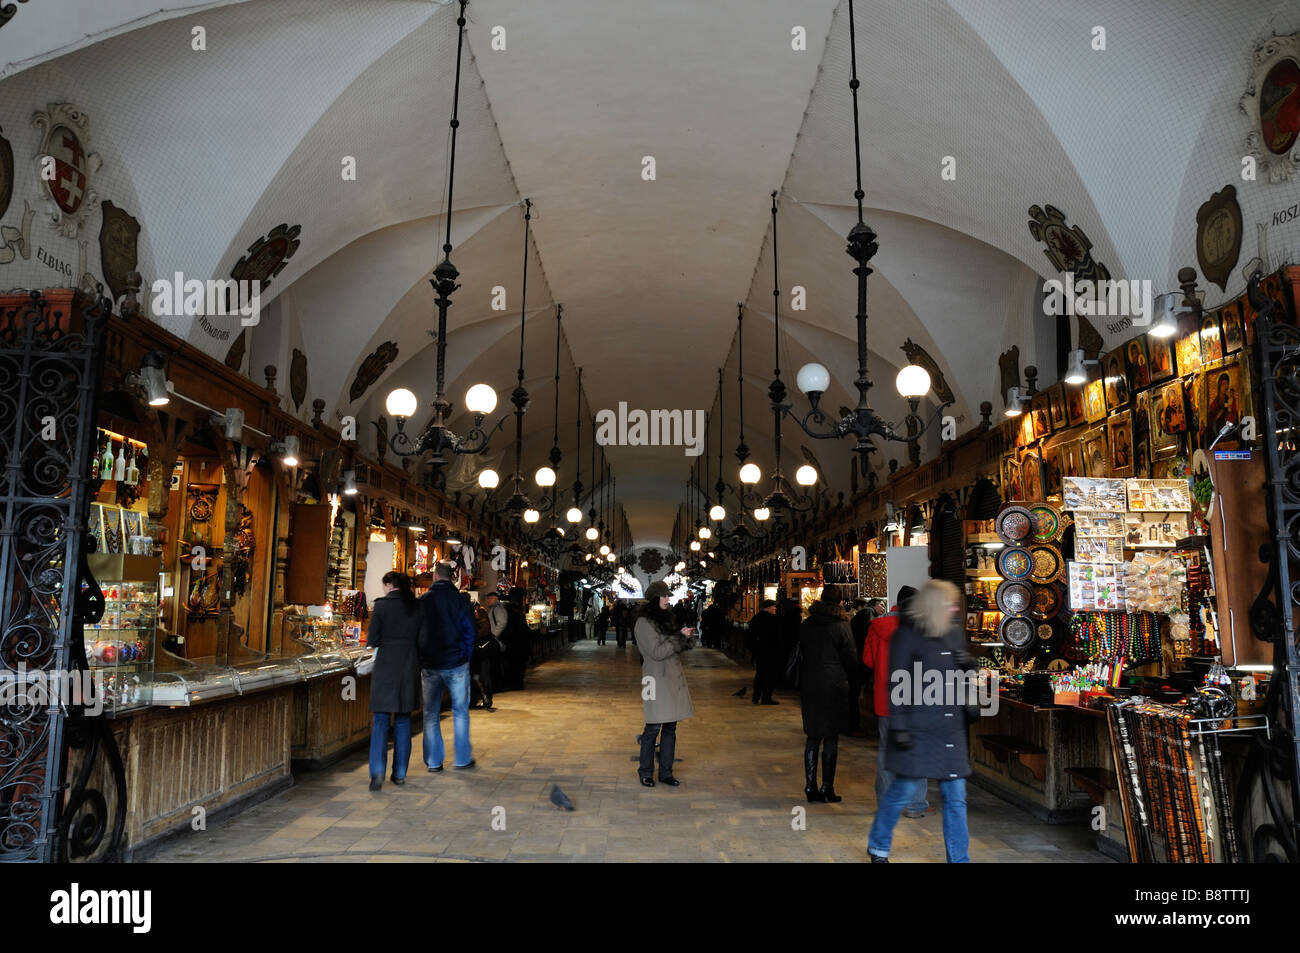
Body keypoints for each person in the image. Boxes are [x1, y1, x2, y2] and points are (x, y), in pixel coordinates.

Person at [867, 580, 975, 863]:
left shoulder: (953, 633)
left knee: (956, 799)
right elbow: (897, 682)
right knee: (900, 793)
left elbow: (958, 677)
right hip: (919, 728)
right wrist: (900, 726)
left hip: (950, 728)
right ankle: (879, 846)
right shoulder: (907, 636)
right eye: (949, 603)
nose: (954, 608)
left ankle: (959, 858)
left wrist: (968, 666)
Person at [863, 585, 932, 817]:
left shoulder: (877, 626)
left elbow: (868, 660)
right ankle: (914, 805)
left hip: (886, 700)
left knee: (886, 751)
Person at [417, 561, 478, 771]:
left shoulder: (423, 601)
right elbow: (470, 632)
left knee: (430, 714)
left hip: (431, 665)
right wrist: (465, 656)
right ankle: (461, 759)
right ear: (453, 578)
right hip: (457, 664)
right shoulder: (461, 601)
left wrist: (422, 656)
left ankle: (434, 762)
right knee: (460, 711)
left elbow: (416, 633)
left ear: (434, 577)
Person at [798, 592, 859, 802]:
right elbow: (851, 658)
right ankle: (827, 787)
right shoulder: (841, 626)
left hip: (810, 683)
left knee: (813, 735)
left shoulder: (807, 624)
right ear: (840, 602)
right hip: (834, 685)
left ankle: (809, 786)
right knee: (831, 736)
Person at [634, 581, 695, 787]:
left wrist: (684, 637)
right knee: (652, 727)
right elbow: (656, 652)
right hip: (654, 679)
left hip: (669, 678)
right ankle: (646, 771)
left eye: (668, 596)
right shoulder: (643, 623)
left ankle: (666, 772)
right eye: (665, 596)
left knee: (670, 726)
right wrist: (678, 638)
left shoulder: (665, 619)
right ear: (655, 599)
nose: (669, 599)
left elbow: (670, 646)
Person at [366, 571, 422, 791]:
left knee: (380, 722)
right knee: (403, 722)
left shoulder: (381, 606)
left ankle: (377, 772)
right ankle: (399, 774)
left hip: (385, 671)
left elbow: (373, 640)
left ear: (389, 585)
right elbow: (423, 639)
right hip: (409, 669)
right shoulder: (417, 607)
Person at [470, 586, 504, 711]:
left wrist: (494, 636)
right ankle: (481, 699)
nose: (487, 601)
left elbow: (496, 625)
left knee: (481, 674)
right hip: (479, 647)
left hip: (480, 648)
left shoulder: (480, 611)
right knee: (480, 674)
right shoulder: (482, 610)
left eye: (489, 599)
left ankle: (485, 699)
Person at [847, 599, 875, 738]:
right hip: (856, 663)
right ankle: (852, 726)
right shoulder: (868, 617)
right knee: (852, 695)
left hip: (850, 664)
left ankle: (851, 725)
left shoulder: (851, 623)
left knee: (851, 695)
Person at [747, 599, 782, 705]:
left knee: (760, 674)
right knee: (770, 675)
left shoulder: (756, 618)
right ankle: (766, 697)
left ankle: (756, 697)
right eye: (774, 606)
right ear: (768, 607)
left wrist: (754, 650)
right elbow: (776, 637)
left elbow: (750, 636)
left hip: (760, 652)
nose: (775, 608)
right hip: (771, 652)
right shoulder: (772, 620)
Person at [498, 587, 532, 690]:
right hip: (520, 645)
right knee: (519, 667)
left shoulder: (508, 612)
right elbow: (524, 630)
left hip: (513, 646)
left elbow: (509, 630)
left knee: (512, 666)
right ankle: (517, 684)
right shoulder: (518, 613)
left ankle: (512, 684)